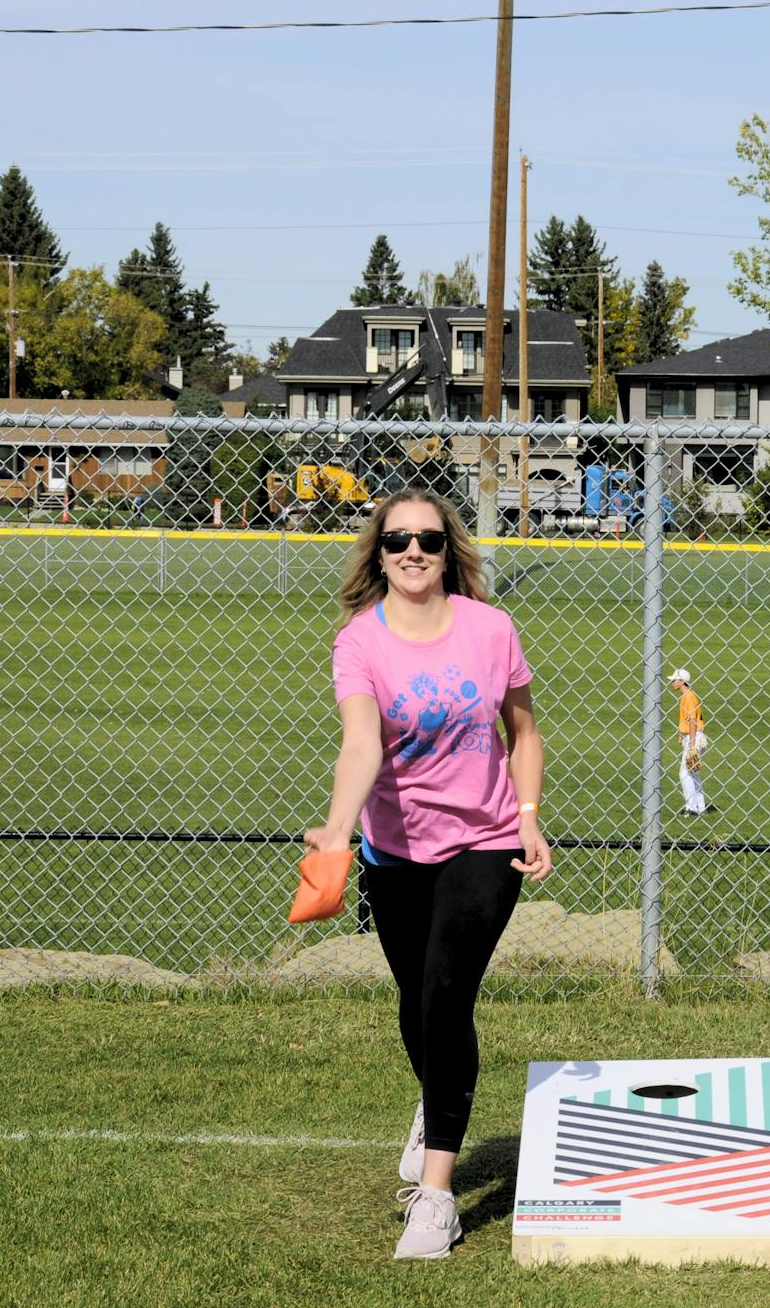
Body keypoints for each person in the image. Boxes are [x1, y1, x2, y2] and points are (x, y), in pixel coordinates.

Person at [303, 486, 554, 1260]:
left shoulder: (491, 629)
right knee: (417, 1005)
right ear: (378, 555)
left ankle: (437, 1199)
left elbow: (524, 732)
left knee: (446, 995)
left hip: (486, 840)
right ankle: (436, 1097)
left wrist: (528, 815)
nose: (413, 551)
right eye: (398, 540)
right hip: (393, 851)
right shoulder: (359, 642)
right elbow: (360, 745)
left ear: (449, 553)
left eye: (429, 540)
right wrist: (337, 832)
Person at [669, 668, 710, 816]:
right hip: (694, 736)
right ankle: (700, 807)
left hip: (695, 737)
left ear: (682, 681)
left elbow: (693, 721)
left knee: (685, 773)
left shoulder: (689, 697)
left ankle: (691, 808)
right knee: (694, 773)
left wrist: (692, 744)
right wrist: (682, 734)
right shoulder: (687, 696)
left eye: (674, 680)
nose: (672, 682)